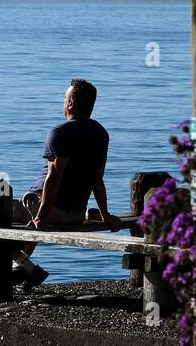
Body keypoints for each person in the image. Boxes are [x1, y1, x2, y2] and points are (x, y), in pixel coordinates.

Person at [11, 79, 121, 290]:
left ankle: (24, 267)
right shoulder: (101, 134)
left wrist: (42, 215)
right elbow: (98, 179)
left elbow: (54, 176)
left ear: (70, 103)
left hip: (52, 209)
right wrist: (106, 215)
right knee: (26, 214)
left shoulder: (60, 132)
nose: (63, 102)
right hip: (76, 213)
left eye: (64, 98)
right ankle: (24, 270)